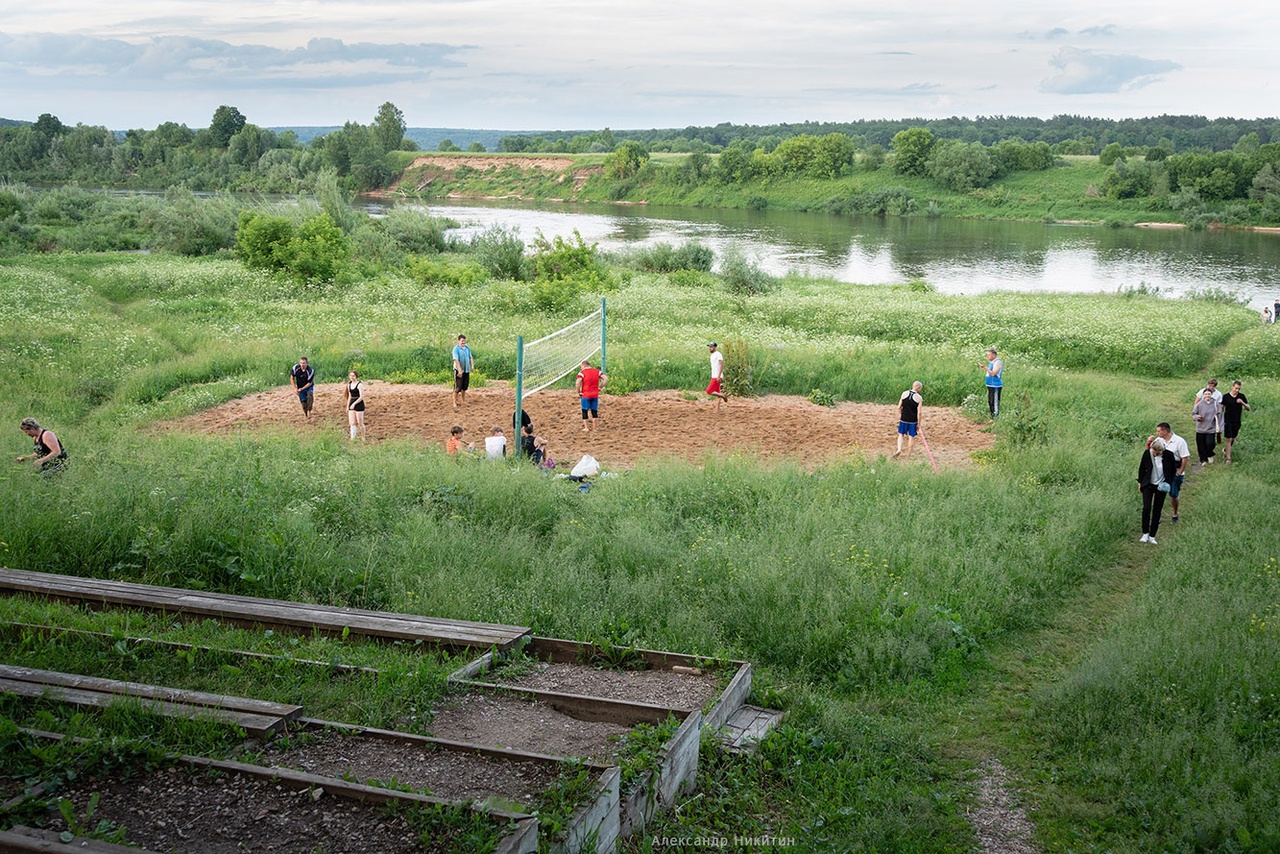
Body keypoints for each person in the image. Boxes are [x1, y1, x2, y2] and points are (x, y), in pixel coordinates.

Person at [1137, 436, 1177, 544]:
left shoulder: (1169, 455)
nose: (1155, 453)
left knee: (1157, 510)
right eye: (1154, 451)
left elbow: (1173, 470)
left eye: (1158, 452)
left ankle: (1152, 536)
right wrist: (1140, 482)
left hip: (1161, 486)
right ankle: (1145, 533)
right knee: (1146, 508)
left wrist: (1167, 482)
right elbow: (1141, 468)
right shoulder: (1147, 453)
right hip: (1148, 484)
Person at [1155, 422, 1189, 523]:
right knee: (1157, 494)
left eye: (1159, 431)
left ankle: (1175, 513)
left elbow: (1185, 458)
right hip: (1161, 471)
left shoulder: (1179, 441)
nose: (1157, 433)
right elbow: (1152, 452)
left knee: (1173, 494)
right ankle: (1158, 515)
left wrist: (1180, 472)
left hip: (1174, 471)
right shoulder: (1158, 440)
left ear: (1165, 431)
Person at [1220, 380, 1251, 463]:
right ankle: (1228, 459)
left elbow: (1248, 408)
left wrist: (1242, 403)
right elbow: (1221, 407)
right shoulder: (1226, 396)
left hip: (1237, 420)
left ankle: (1226, 450)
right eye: (1236, 388)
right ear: (1232, 387)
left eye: (1239, 389)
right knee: (1228, 439)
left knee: (1233, 438)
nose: (1237, 390)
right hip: (1227, 420)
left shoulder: (1241, 396)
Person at [575, 360, 606, 432]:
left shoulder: (582, 373)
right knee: (594, 411)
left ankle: (586, 428)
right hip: (595, 394)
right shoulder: (597, 371)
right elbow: (605, 379)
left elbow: (577, 383)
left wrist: (579, 392)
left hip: (586, 394)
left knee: (584, 411)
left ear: (584, 366)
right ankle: (595, 428)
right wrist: (600, 387)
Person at [894, 381, 923, 460]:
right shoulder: (919, 398)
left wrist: (901, 415)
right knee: (911, 437)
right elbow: (919, 412)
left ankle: (899, 449)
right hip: (913, 421)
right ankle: (908, 456)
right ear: (918, 388)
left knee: (901, 435)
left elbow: (899, 407)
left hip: (903, 419)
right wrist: (919, 424)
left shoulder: (904, 394)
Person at [1192, 388, 1218, 466]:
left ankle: (1209, 454)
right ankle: (1203, 459)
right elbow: (1193, 414)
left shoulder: (1215, 404)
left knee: (1210, 443)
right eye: (1206, 394)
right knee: (1201, 445)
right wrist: (1197, 417)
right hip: (1200, 428)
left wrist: (1220, 426)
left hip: (1211, 428)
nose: (1207, 395)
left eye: (1209, 394)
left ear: (1211, 395)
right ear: (1203, 395)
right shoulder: (1199, 404)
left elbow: (1220, 414)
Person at [1195, 378, 1223, 443]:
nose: (1209, 386)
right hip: (1202, 412)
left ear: (1215, 386)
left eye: (1211, 385)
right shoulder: (1202, 391)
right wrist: (1195, 413)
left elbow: (1220, 406)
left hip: (1212, 414)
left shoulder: (1218, 394)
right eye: (1209, 384)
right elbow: (1196, 402)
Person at [452, 334, 473, 410]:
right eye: (462, 341)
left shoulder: (467, 348)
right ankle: (454, 402)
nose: (463, 342)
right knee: (457, 387)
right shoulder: (456, 349)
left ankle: (463, 401)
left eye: (464, 341)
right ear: (459, 341)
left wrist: (472, 366)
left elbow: (470, 357)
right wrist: (459, 370)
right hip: (459, 370)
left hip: (466, 370)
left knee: (464, 387)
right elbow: (456, 360)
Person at [706, 342, 729, 411]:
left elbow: (721, 365)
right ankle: (717, 409)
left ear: (715, 347)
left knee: (709, 391)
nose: (710, 348)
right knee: (717, 393)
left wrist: (719, 375)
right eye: (709, 347)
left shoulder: (718, 354)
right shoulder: (712, 355)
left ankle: (723, 395)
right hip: (714, 375)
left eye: (711, 347)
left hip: (717, 376)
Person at [981, 348, 1003, 419]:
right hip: (990, 385)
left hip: (995, 385)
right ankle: (992, 417)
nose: (987, 356)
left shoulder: (997, 362)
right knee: (990, 402)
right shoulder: (991, 362)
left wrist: (985, 367)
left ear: (993, 355)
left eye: (989, 355)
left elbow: (993, 373)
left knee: (995, 402)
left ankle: (995, 418)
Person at [345, 370, 366, 441]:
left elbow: (361, 396)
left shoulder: (359, 385)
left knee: (360, 422)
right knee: (352, 422)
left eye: (353, 376)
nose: (352, 377)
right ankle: (353, 438)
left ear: (356, 376)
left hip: (359, 404)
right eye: (351, 376)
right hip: (352, 403)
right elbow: (350, 396)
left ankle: (363, 437)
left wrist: (354, 404)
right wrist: (347, 406)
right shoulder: (349, 385)